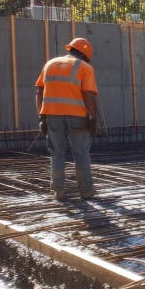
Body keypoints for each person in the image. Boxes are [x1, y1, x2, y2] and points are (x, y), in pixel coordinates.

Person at [35, 38, 98, 201]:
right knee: (81, 154)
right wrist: (93, 117)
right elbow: (88, 94)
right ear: (84, 55)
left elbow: (39, 92)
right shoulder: (85, 68)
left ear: (71, 49)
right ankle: (86, 191)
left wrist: (41, 116)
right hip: (77, 116)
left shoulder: (49, 64)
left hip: (52, 115)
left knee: (57, 154)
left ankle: (59, 191)